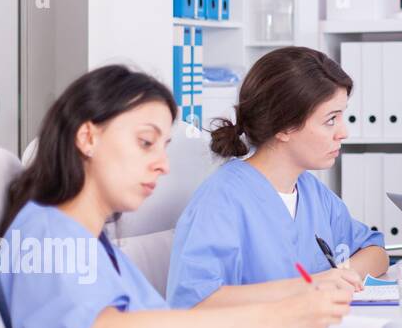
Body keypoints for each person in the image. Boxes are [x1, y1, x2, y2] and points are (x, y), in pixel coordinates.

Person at [0, 66, 350, 328]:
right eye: (146, 142)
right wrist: (277, 318)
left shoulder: (93, 243)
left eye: (163, 146)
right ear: (88, 137)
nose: (163, 164)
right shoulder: (44, 231)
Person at [166, 47, 389, 309]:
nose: (344, 132)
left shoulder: (312, 192)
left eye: (342, 116)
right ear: (285, 127)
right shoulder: (222, 200)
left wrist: (338, 276)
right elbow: (194, 300)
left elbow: (376, 253)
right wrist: (311, 286)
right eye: (330, 120)